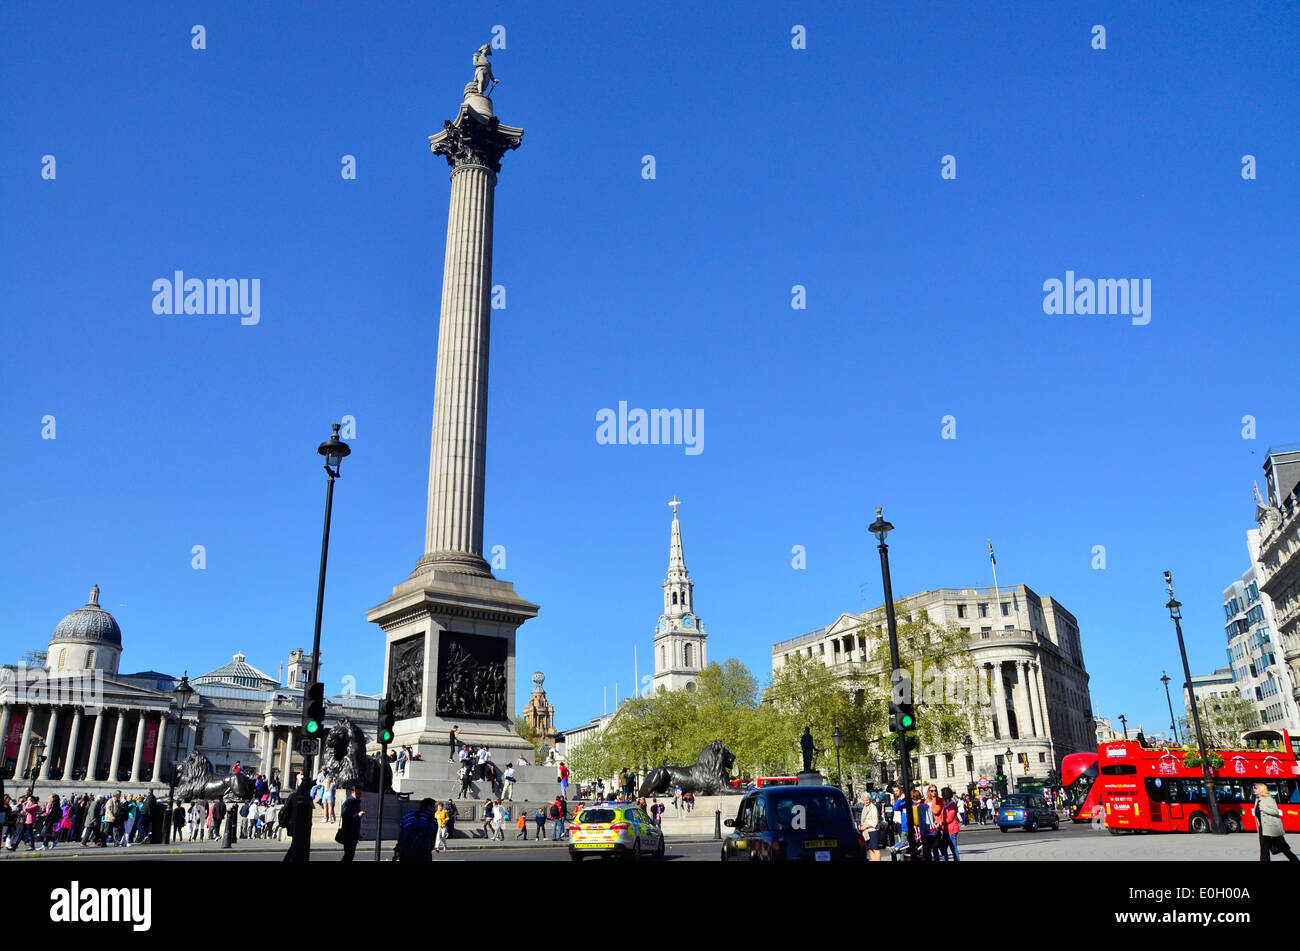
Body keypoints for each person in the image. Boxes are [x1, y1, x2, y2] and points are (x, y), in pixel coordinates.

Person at [1254, 783, 1298, 862]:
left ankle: (1294, 859)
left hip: (1272, 829)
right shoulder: (1257, 800)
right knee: (1264, 850)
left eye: (1256, 788)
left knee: (1284, 848)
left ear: (1261, 790)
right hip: (1262, 829)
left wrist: (1264, 809)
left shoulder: (1269, 799)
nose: (1254, 790)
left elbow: (1276, 812)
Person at [339, 788, 365, 861]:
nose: (359, 795)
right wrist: (358, 815)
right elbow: (344, 815)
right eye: (357, 793)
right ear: (352, 792)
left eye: (360, 794)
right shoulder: (349, 802)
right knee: (348, 854)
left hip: (353, 833)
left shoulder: (356, 802)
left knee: (350, 855)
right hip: (348, 833)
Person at [859, 793, 881, 861]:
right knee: (870, 850)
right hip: (866, 832)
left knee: (875, 849)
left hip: (873, 831)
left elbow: (875, 821)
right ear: (862, 800)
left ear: (870, 800)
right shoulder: (864, 808)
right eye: (864, 800)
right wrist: (860, 826)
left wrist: (865, 826)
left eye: (867, 800)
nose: (866, 802)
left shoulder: (873, 807)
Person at [940, 793, 960, 861]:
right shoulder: (946, 804)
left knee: (953, 848)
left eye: (943, 795)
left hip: (952, 829)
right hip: (946, 829)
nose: (942, 797)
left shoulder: (952, 804)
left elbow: (949, 818)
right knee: (943, 847)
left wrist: (941, 823)